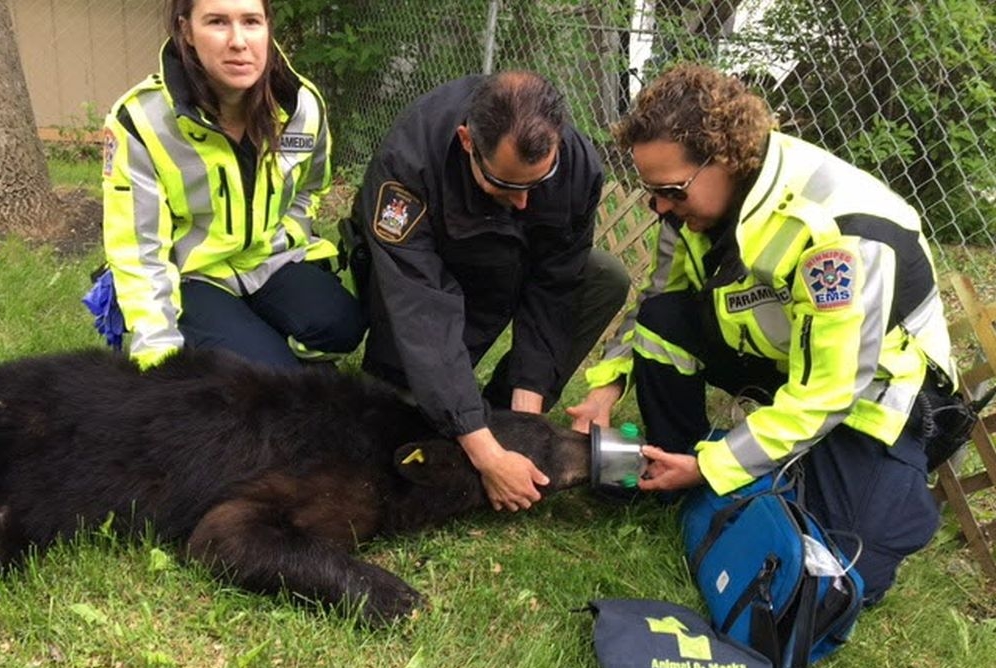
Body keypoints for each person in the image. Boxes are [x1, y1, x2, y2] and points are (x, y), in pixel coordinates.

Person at [568, 64, 957, 604]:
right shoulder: (692, 212)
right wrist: (606, 387)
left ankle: (863, 484)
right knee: (664, 320)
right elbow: (656, 302)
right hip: (781, 358)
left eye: (672, 191)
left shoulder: (842, 234)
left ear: (725, 159)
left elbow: (829, 391)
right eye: (650, 192)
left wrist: (714, 466)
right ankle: (672, 466)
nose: (660, 207)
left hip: (875, 397)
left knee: (848, 569)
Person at [342, 72, 630, 513]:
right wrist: (486, 453)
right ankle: (464, 414)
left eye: (536, 184)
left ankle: (498, 407)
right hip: (431, 280)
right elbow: (422, 309)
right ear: (467, 142)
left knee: (604, 275)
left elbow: (554, 287)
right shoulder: (408, 164)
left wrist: (525, 418)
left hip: (508, 269)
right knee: (389, 425)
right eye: (506, 186)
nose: (522, 204)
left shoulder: (578, 167)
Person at [96, 0, 365, 370]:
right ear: (186, 31)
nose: (238, 41)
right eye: (217, 22)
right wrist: (158, 355)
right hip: (192, 277)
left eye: (251, 22)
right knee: (266, 379)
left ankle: (260, 342)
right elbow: (138, 252)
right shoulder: (140, 121)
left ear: (268, 27)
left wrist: (288, 236)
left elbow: (309, 187)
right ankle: (252, 352)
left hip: (268, 261)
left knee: (344, 326)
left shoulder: (301, 105)